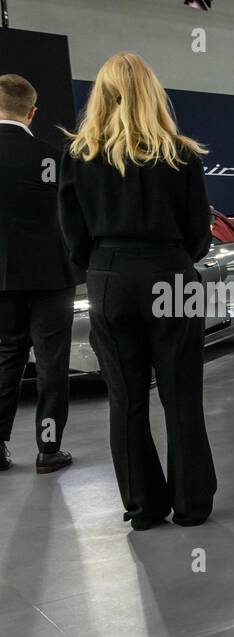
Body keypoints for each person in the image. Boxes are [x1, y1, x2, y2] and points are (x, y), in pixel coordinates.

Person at [57, 52, 216, 529]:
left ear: (100, 96)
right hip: (171, 271)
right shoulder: (180, 153)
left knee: (125, 398)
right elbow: (199, 235)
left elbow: (73, 235)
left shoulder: (79, 155)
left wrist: (106, 264)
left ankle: (143, 506)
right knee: (182, 393)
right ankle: (191, 504)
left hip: (109, 275)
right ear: (153, 93)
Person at [0, 74, 78, 475]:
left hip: (2, 277)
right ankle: (48, 450)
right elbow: (71, 216)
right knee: (52, 363)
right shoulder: (52, 157)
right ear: (32, 113)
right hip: (52, 274)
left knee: (5, 355)